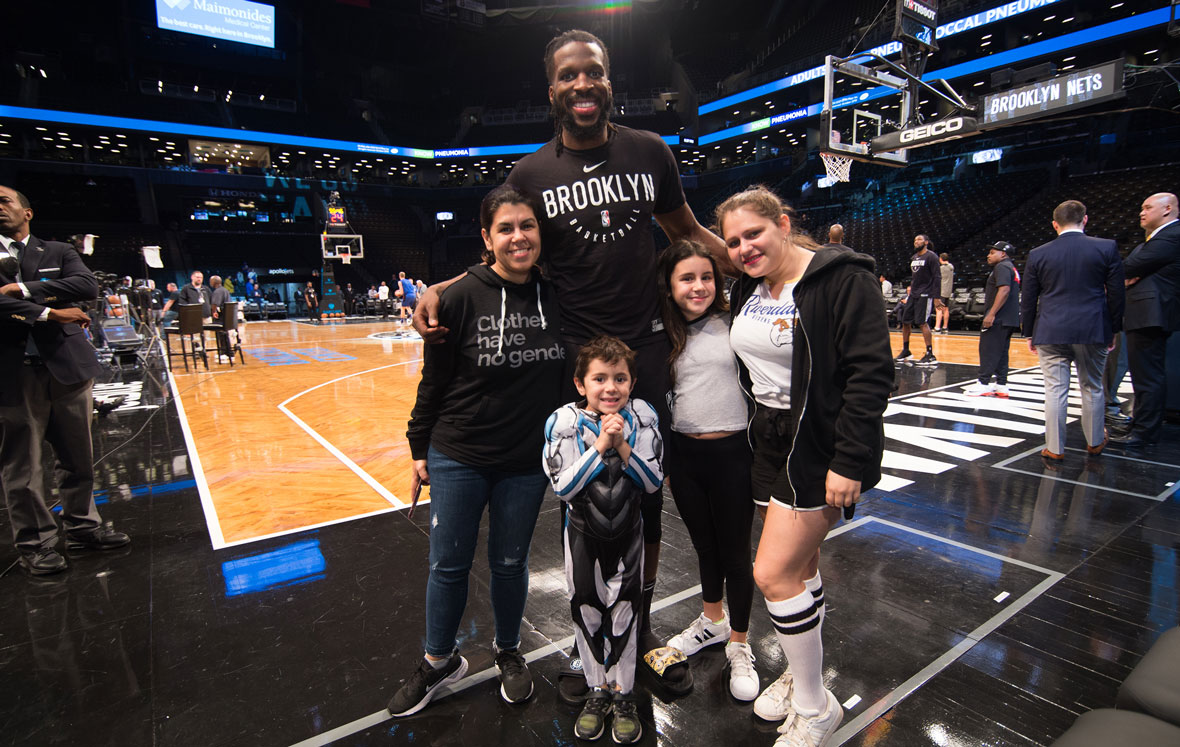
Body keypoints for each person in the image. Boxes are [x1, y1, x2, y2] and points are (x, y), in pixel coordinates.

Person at [415, 28, 727, 697]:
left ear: (610, 78)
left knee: (643, 501)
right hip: (573, 363)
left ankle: (635, 638)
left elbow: (689, 235)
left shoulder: (650, 152)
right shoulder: (528, 175)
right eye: (568, 76)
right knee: (582, 504)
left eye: (594, 72)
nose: (582, 85)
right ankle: (593, 646)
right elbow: (508, 251)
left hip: (642, 352)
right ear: (550, 88)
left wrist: (777, 264)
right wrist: (442, 289)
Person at [717, 186, 893, 747]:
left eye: (754, 234)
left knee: (771, 573)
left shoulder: (842, 278)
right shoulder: (751, 284)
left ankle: (817, 709)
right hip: (767, 437)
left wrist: (850, 459)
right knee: (803, 566)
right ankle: (803, 671)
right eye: (733, 241)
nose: (744, 247)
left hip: (820, 442)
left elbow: (871, 374)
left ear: (784, 224)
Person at [388, 185, 564, 718]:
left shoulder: (559, 292)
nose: (519, 237)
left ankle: (508, 651)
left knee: (510, 564)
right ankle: (439, 660)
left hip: (525, 460)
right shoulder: (459, 297)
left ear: (540, 232)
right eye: (506, 228)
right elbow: (434, 378)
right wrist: (419, 444)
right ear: (487, 238)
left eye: (527, 226)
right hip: (459, 452)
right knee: (448, 564)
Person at [0, 184, 131, 575]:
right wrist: (51, 313)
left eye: (4, 201)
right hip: (14, 373)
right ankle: (36, 544)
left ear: (27, 212)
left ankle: (82, 529)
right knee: (22, 468)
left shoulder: (59, 251)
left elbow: (86, 287)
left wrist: (21, 289)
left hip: (68, 370)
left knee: (78, 459)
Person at [543, 336, 663, 744]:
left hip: (630, 535)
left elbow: (651, 484)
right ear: (581, 384)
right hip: (582, 537)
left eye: (620, 378)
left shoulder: (643, 417)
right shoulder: (564, 422)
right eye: (599, 378)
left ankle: (624, 692)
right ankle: (597, 689)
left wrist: (623, 444)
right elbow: (564, 488)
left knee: (626, 613)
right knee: (587, 611)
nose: (610, 387)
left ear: (632, 383)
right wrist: (600, 446)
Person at [656, 240, 759, 701]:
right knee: (704, 547)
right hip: (685, 455)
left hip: (734, 452)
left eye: (706, 277)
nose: (698, 286)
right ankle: (712, 620)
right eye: (686, 278)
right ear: (670, 285)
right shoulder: (662, 333)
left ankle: (739, 642)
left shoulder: (736, 323)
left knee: (736, 552)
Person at [1020, 200, 1124, 462]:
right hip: (1093, 328)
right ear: (1085, 220)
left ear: (1055, 224)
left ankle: (1055, 447)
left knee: (1055, 389)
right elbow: (1116, 294)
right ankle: (1095, 442)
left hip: (1050, 329)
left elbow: (1029, 297)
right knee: (1092, 387)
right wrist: (1114, 328)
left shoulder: (1038, 253)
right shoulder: (1106, 247)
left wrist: (1029, 332)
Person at [1112, 192, 1180, 446]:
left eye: (1148, 207)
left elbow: (1128, 267)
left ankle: (1144, 432)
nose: (1142, 212)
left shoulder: (1172, 234)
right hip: (1146, 314)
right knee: (1142, 376)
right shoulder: (1156, 238)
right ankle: (1140, 423)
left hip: (1152, 314)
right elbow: (1132, 266)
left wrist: (1131, 273)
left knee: (1148, 377)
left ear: (1167, 209)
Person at [965, 242, 1021, 398]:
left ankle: (983, 383)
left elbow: (1004, 290)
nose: (988, 256)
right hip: (1009, 318)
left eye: (992, 252)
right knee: (1002, 352)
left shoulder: (1002, 267)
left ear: (1002, 254)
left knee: (988, 349)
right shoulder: (1011, 267)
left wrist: (991, 314)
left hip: (999, 317)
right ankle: (1001, 385)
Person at [894, 234, 940, 365]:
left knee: (922, 322)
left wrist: (936, 297)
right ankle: (906, 350)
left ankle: (930, 354)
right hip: (913, 294)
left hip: (925, 294)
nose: (916, 242)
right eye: (914, 240)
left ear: (926, 242)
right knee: (905, 321)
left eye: (919, 239)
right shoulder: (914, 257)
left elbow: (937, 277)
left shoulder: (931, 256)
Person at [933, 252, 954, 333]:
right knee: (946, 309)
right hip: (948, 291)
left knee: (939, 309)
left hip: (941, 291)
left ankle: (937, 327)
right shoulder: (951, 267)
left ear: (940, 259)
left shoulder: (941, 269)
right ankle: (945, 327)